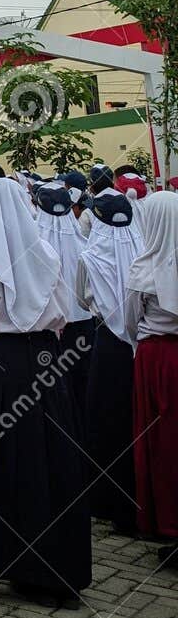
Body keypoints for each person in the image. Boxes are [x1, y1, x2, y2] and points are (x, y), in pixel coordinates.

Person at [0, 176, 91, 609]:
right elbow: (62, 311)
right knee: (53, 457)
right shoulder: (48, 252)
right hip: (47, 362)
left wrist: (3, 332)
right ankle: (58, 567)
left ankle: (18, 561)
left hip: (2, 363)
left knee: (9, 459)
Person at [76, 190, 141, 534]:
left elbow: (81, 297)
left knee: (105, 420)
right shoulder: (143, 252)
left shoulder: (88, 258)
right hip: (137, 346)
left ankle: (106, 500)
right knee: (134, 419)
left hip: (106, 342)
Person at [125, 191, 178, 568]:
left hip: (156, 359)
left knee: (161, 441)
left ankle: (167, 524)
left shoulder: (143, 270)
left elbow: (129, 323)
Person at [34, 180, 95, 421]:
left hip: (49, 331)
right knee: (83, 388)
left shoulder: (33, 245)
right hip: (83, 325)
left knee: (57, 398)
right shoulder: (83, 242)